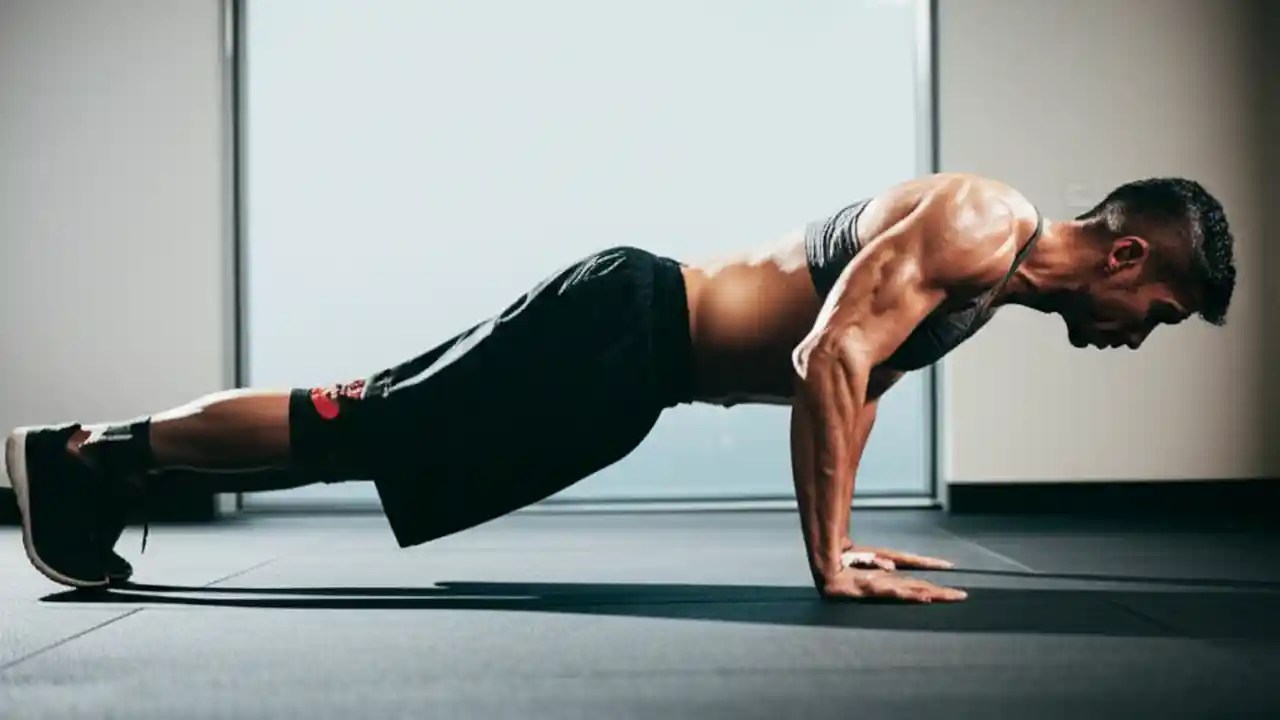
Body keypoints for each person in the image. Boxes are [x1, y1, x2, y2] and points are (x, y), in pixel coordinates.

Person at [5, 173, 1236, 602]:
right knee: (371, 420)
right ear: (1125, 256)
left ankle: (107, 463)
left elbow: (848, 381)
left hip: (629, 374)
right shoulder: (983, 218)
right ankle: (88, 455)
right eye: (1160, 311)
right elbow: (826, 359)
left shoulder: (994, 277)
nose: (1142, 332)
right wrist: (825, 560)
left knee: (378, 442)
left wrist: (854, 542)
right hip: (624, 323)